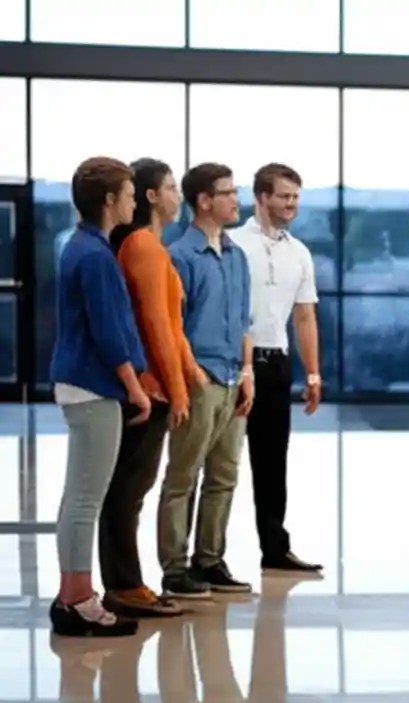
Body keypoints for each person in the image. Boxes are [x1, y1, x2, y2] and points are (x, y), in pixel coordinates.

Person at [48, 156, 150, 636]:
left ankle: (73, 596)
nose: (133, 202)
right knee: (86, 498)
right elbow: (109, 332)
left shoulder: (84, 247)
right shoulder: (94, 256)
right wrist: (135, 387)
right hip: (93, 385)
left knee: (79, 496)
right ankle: (78, 600)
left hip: (81, 383)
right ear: (109, 200)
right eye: (128, 195)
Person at [99, 158, 197, 618]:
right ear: (152, 197)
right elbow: (157, 326)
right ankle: (124, 586)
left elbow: (172, 325)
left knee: (131, 487)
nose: (179, 196)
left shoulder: (149, 245)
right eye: (172, 187)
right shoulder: (143, 246)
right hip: (148, 387)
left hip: (154, 382)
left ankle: (127, 582)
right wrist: (178, 391)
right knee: (128, 489)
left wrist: (189, 372)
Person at [157, 162, 256, 598]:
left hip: (234, 378)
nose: (236, 200)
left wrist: (248, 371)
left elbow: (245, 320)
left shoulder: (237, 256)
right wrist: (191, 376)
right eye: (227, 192)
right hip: (200, 379)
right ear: (203, 201)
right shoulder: (180, 256)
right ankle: (175, 568)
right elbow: (172, 325)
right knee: (183, 475)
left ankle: (210, 560)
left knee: (224, 475)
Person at [230, 162, 324, 574]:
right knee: (220, 463)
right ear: (261, 197)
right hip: (235, 364)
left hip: (277, 363)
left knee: (272, 463)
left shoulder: (299, 252)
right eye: (284, 196)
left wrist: (313, 373)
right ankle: (206, 557)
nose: (291, 204)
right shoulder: (234, 245)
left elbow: (304, 316)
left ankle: (275, 549)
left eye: (296, 197)